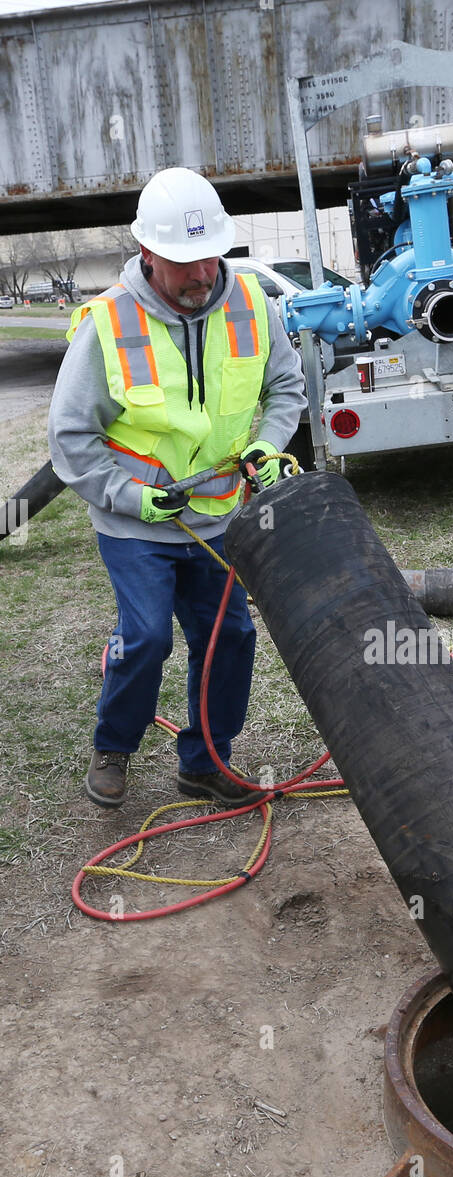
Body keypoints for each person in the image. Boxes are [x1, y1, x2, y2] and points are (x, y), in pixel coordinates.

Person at [48, 167, 306, 810]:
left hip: (219, 516)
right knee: (147, 638)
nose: (201, 275)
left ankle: (205, 761)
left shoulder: (253, 303)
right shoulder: (106, 325)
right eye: (183, 263)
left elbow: (287, 390)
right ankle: (114, 749)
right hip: (135, 523)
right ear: (147, 255)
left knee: (231, 637)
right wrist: (132, 495)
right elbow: (69, 439)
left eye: (209, 257)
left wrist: (266, 446)